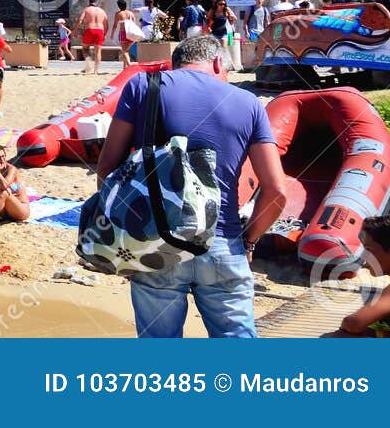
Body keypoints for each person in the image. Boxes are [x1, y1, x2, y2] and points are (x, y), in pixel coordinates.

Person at [96, 34, 289, 338]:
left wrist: (123, 235)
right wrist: (248, 241)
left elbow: (107, 168)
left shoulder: (143, 86)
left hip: (156, 241)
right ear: (216, 62)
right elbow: (277, 191)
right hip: (223, 242)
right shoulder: (249, 103)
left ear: (176, 64)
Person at [0, 143, 31, 221]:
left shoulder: (11, 169)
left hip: (21, 209)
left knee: (3, 192)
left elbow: (5, 186)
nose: (2, 160)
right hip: (5, 212)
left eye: (3, 156)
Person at [208, 0, 240, 71]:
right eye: (220, 4)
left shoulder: (226, 10)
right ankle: (217, 65)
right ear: (217, 4)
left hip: (224, 33)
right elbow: (208, 18)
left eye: (224, 4)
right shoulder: (213, 10)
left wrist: (231, 19)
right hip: (214, 32)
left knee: (225, 49)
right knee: (214, 49)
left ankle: (231, 65)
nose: (222, 6)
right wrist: (209, 27)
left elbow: (234, 18)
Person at [77, 0, 109, 74]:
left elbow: (80, 20)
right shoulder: (102, 11)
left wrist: (75, 30)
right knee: (98, 51)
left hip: (89, 29)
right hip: (100, 31)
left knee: (85, 49)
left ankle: (89, 63)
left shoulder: (86, 9)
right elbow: (106, 25)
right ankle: (96, 71)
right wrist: (105, 34)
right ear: (96, 2)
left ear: (89, 2)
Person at [112, 0, 138, 68]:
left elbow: (115, 25)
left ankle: (129, 65)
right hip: (131, 33)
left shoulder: (118, 14)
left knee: (124, 51)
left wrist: (112, 34)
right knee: (126, 51)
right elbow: (134, 24)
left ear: (119, 6)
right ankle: (124, 68)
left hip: (123, 33)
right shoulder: (131, 13)